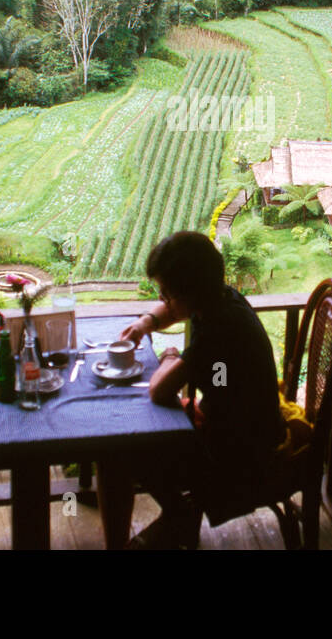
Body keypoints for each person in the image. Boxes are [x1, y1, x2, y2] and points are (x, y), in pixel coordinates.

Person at [97, 231, 286, 549]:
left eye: (166, 292)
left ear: (190, 292)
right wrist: (144, 324)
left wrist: (170, 358)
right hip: (241, 426)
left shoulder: (220, 329)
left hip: (240, 455)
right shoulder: (220, 300)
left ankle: (173, 516)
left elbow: (159, 389)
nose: (162, 299)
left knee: (116, 451)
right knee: (131, 438)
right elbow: (169, 312)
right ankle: (178, 514)